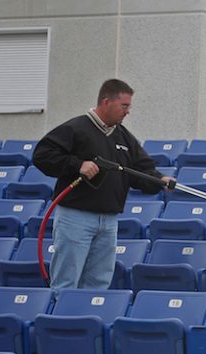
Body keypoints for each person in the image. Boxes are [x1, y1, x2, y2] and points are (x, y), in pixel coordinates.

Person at [33, 78, 174, 291]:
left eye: (129, 106)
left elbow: (141, 169)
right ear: (106, 102)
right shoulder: (76, 128)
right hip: (75, 217)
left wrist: (159, 180)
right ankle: (62, 321)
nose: (128, 112)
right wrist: (77, 164)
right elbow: (42, 155)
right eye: (124, 106)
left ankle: (89, 321)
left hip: (109, 221)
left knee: (99, 282)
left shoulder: (124, 136)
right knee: (67, 280)